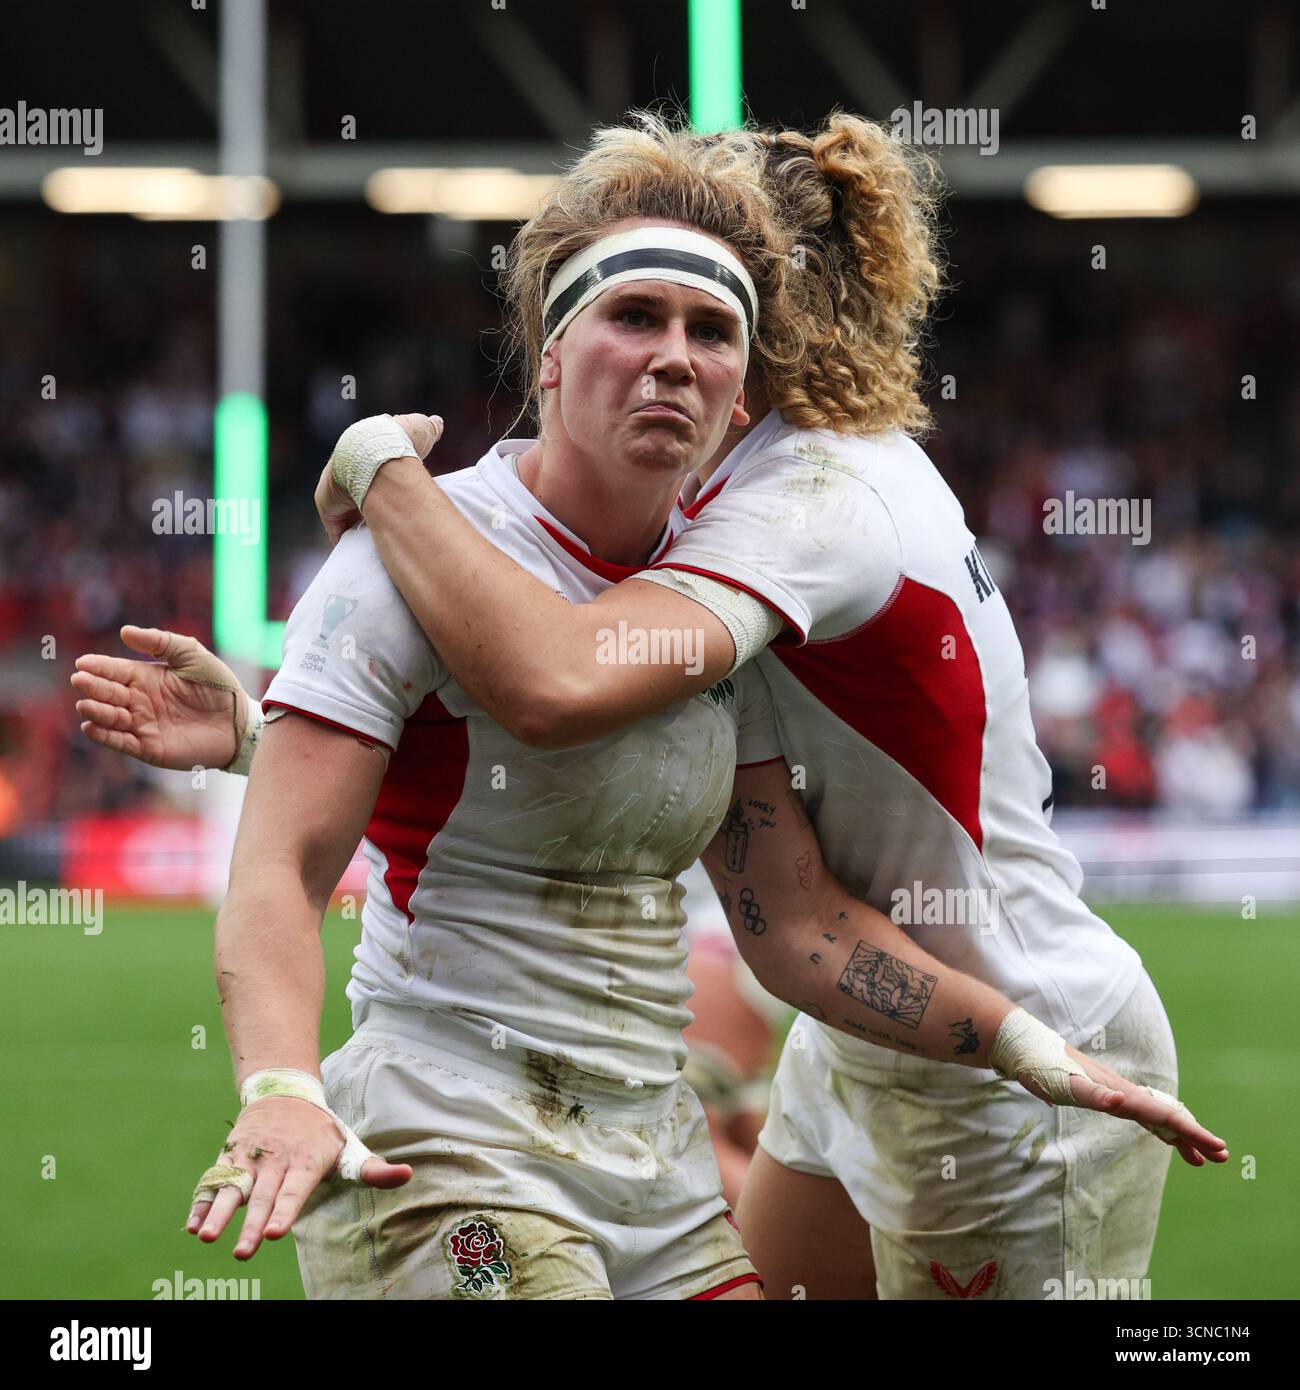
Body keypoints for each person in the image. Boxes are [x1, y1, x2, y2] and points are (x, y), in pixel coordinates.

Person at [74, 112, 1228, 1303]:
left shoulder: (776, 521)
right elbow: (324, 840)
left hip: (784, 1109)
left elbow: (616, 747)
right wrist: (279, 1076)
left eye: (712, 326)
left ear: (749, 367)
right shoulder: (531, 559)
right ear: (548, 352)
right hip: (464, 1128)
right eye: (634, 314)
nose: (675, 355)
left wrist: (376, 466)